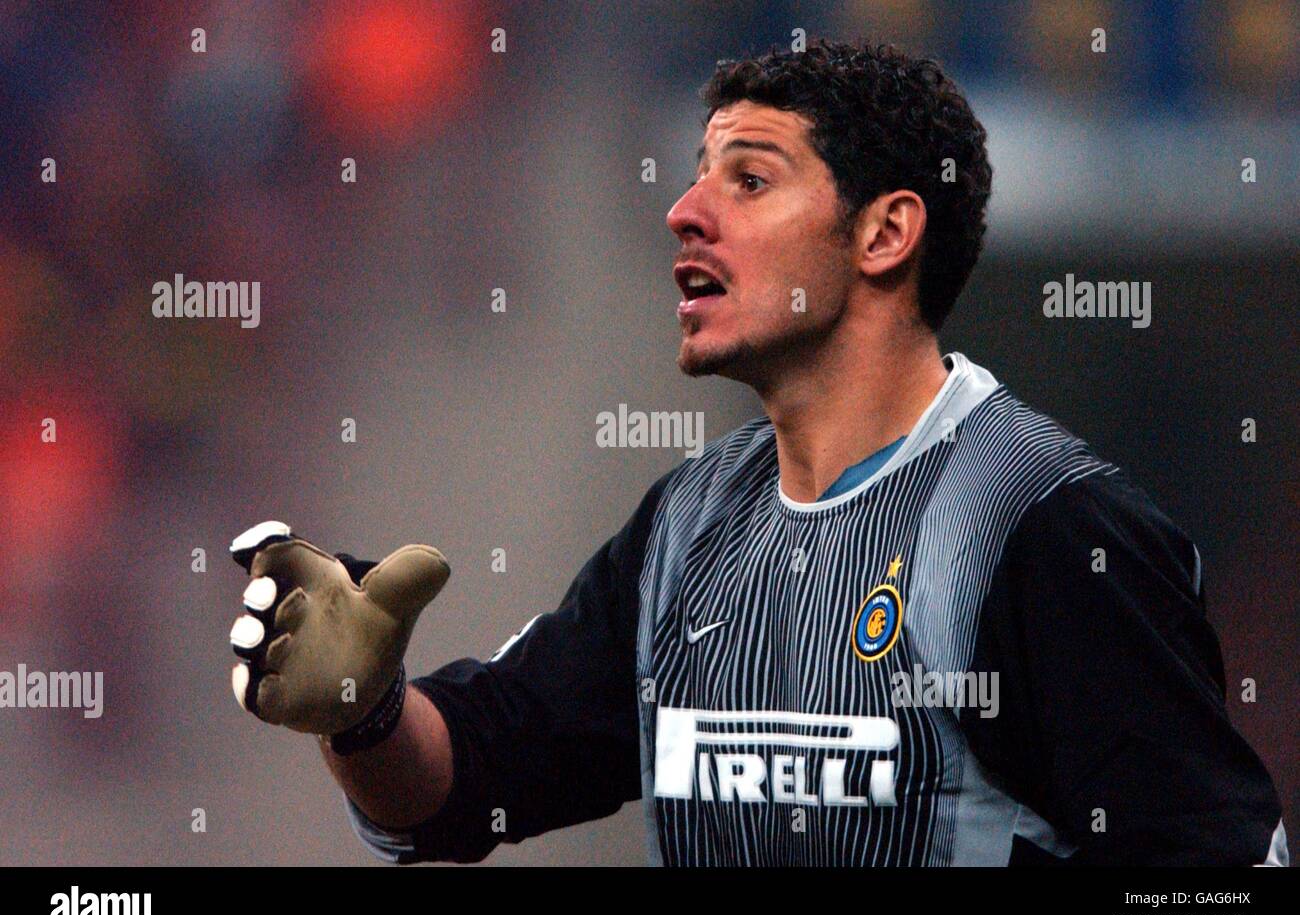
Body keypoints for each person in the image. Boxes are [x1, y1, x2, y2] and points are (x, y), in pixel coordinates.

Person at [225, 40, 1287, 866]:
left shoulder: (1046, 527)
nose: (685, 213)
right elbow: (467, 781)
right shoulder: (689, 526)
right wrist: (364, 711)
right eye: (696, 177)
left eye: (749, 180)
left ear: (884, 235)